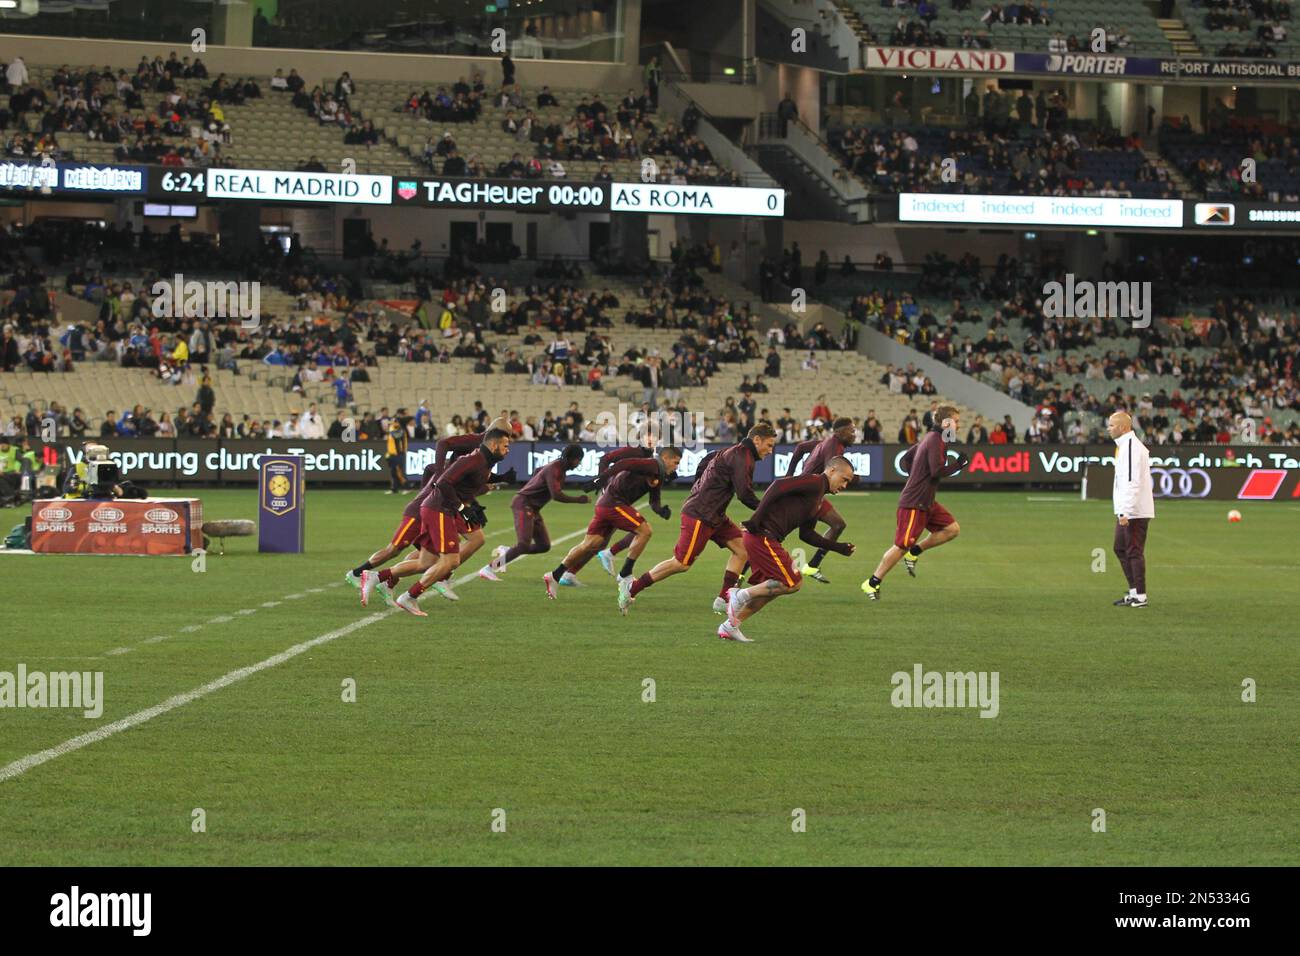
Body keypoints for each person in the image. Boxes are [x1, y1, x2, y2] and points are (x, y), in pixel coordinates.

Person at [622, 424, 777, 615]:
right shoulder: (742, 457)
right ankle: (632, 588)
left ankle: (723, 599)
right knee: (681, 563)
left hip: (714, 515)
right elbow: (744, 494)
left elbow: (706, 460)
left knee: (743, 550)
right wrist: (768, 510)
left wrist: (698, 486)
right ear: (757, 440)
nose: (770, 451)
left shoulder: (734, 451)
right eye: (769, 445)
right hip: (700, 515)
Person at [382, 427, 515, 616]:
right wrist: (462, 508)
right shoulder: (473, 459)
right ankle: (410, 595)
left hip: (441, 509)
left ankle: (379, 577)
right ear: (493, 444)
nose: (508, 449)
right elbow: (443, 482)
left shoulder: (484, 462)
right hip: (439, 509)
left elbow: (473, 484)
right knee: (451, 560)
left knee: (426, 562)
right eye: (505, 445)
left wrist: (501, 479)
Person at [722, 458, 856, 642]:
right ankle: (739, 594)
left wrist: (838, 547)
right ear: (832, 471)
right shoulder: (815, 482)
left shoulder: (817, 499)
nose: (845, 485)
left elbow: (807, 535)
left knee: (772, 591)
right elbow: (778, 485)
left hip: (766, 538)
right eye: (845, 479)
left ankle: (730, 626)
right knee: (792, 582)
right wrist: (756, 518)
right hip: (761, 535)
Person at [544, 446, 682, 604]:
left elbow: (654, 501)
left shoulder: (659, 474)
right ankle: (625, 573)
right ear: (665, 458)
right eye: (675, 462)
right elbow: (624, 464)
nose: (676, 466)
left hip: (607, 504)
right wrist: (600, 479)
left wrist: (661, 510)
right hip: (613, 503)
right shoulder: (651, 464)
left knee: (590, 544)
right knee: (645, 531)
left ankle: (554, 575)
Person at [861, 405, 967, 601]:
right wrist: (958, 465)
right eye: (956, 421)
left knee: (952, 529)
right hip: (914, 503)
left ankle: (915, 551)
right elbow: (936, 471)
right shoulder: (935, 439)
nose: (958, 425)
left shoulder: (934, 438)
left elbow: (907, 459)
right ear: (946, 423)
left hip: (925, 501)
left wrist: (916, 477)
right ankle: (872, 582)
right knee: (901, 546)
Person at [482, 443, 589, 580]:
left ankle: (509, 551)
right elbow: (556, 495)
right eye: (578, 460)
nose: (578, 463)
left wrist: (533, 485)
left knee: (543, 545)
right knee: (523, 544)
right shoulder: (555, 469)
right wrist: (578, 500)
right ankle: (489, 568)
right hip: (524, 504)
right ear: (574, 458)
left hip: (533, 507)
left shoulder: (557, 466)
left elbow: (538, 470)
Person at [789, 417, 857, 583]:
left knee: (836, 525)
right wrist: (855, 478)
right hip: (805, 496)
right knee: (776, 533)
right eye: (852, 431)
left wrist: (789, 475)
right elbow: (832, 473)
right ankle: (739, 574)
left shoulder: (829, 442)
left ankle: (812, 566)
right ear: (840, 432)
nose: (855, 434)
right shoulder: (833, 447)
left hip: (813, 495)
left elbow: (800, 448)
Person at [1107, 410, 1154, 608]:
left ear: (1123, 427)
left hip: (1134, 511)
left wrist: (1125, 511)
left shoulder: (1130, 448)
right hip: (1129, 509)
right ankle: (1134, 591)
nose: (1108, 429)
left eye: (1112, 425)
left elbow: (1131, 481)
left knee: (1133, 551)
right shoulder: (1126, 446)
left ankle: (1140, 596)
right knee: (1120, 548)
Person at [385, 416, 408, 494]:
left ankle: (406, 488)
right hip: (391, 454)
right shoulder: (392, 429)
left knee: (400, 472)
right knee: (393, 472)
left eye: (395, 422)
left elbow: (396, 435)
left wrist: (389, 430)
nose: (394, 423)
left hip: (399, 454)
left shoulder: (400, 431)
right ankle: (394, 489)